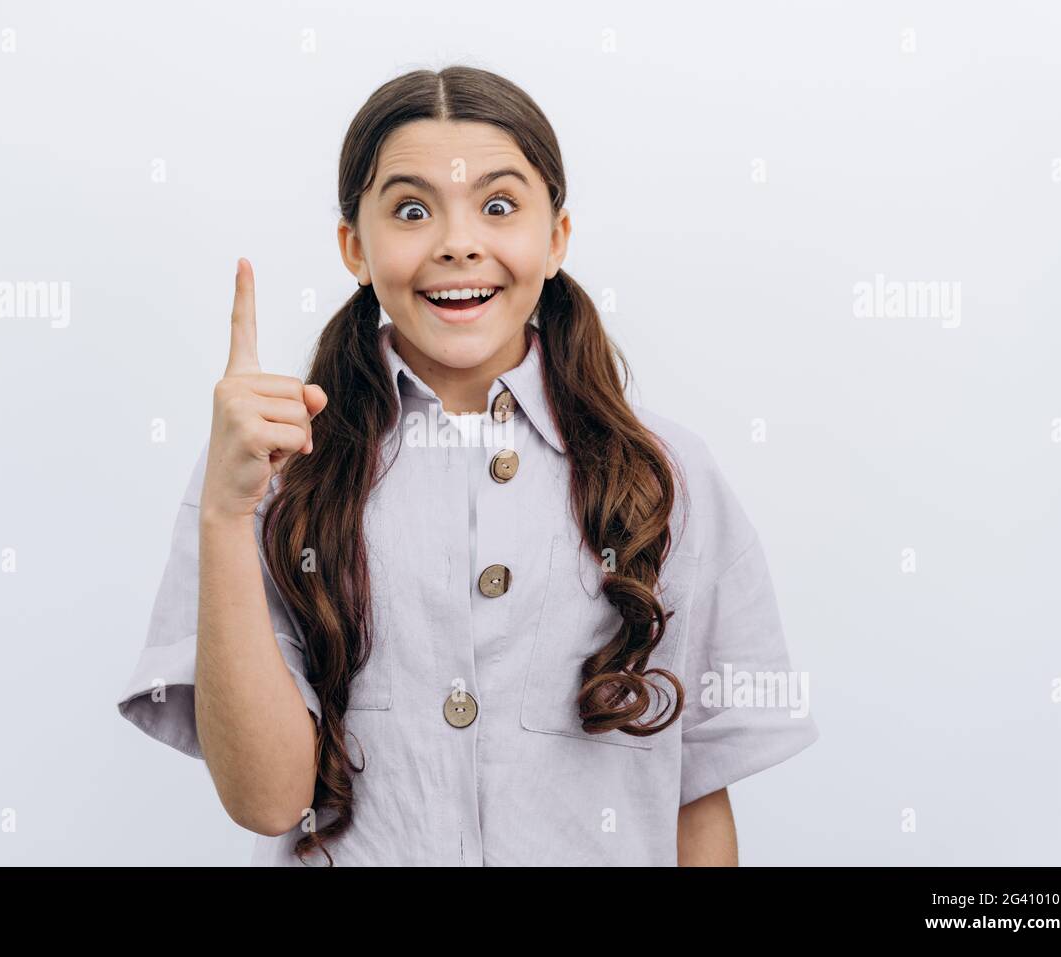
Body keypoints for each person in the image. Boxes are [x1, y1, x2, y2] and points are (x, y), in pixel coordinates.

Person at [117, 65, 819, 866]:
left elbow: (696, 798)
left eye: (498, 206)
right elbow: (268, 798)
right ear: (355, 246)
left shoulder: (665, 477)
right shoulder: (267, 470)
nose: (458, 242)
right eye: (411, 210)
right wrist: (225, 514)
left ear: (555, 237)